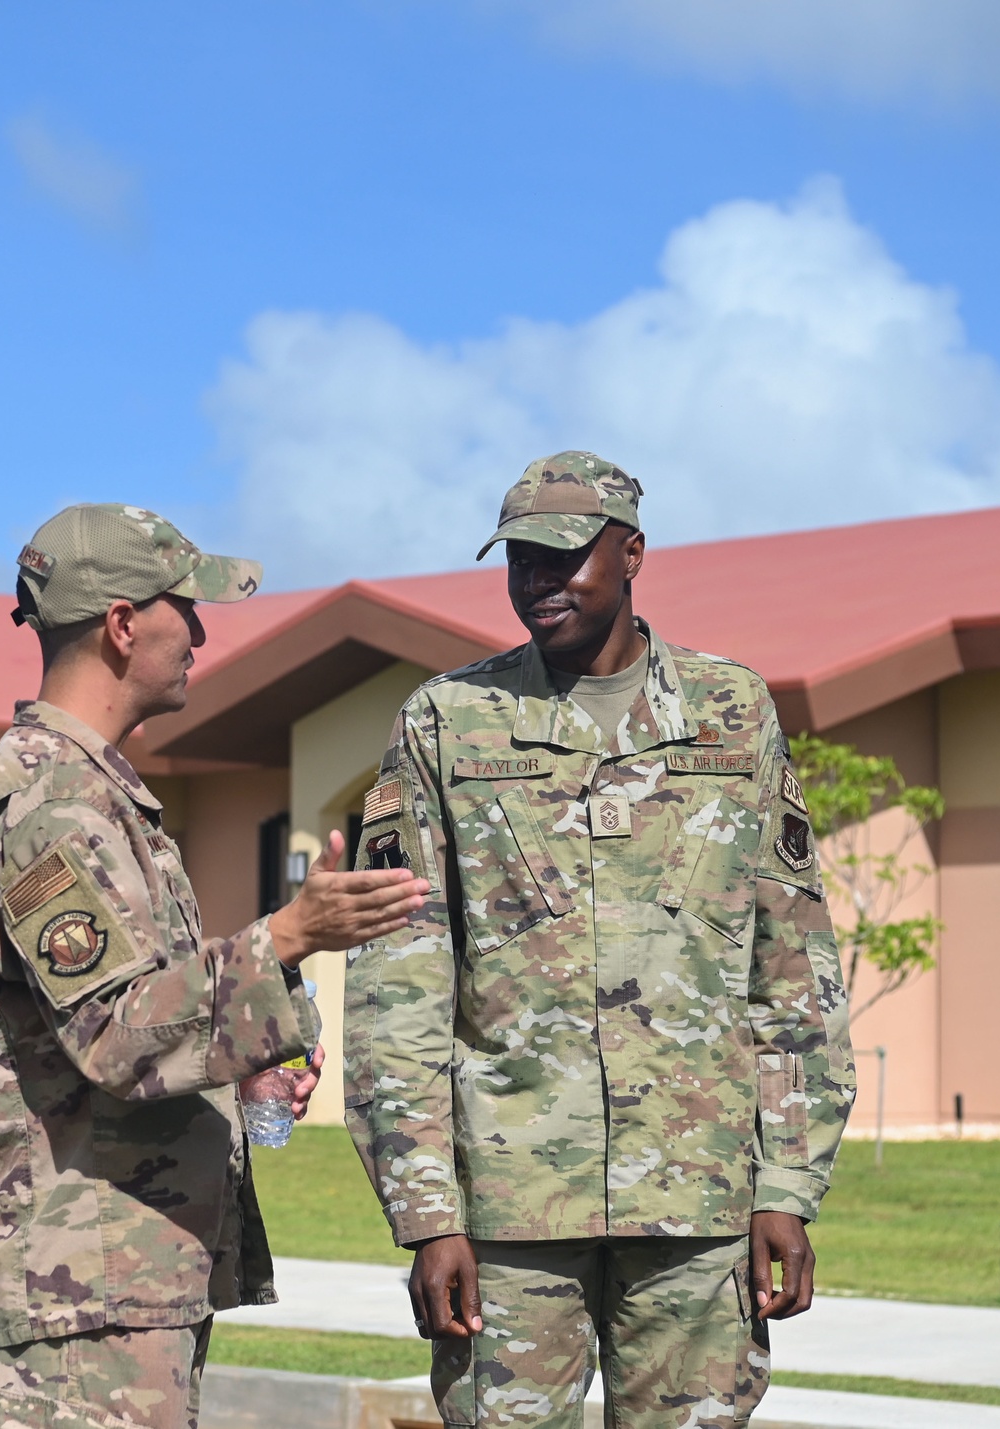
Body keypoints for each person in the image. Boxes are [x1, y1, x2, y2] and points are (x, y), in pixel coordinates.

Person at [344, 453, 856, 1427]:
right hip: (507, 1211)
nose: (537, 581)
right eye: (518, 561)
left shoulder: (731, 714)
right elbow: (396, 986)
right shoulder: (448, 723)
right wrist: (425, 1214)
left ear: (630, 555)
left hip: (698, 1207)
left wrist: (786, 1183)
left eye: (562, 558)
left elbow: (790, 966)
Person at [0, 503, 430, 1429]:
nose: (199, 630)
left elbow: (123, 1019)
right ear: (122, 623)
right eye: (184, 606)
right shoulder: (55, 802)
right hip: (75, 1286)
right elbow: (117, 1029)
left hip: (112, 1274)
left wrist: (253, 1061)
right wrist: (286, 935)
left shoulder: (92, 793)